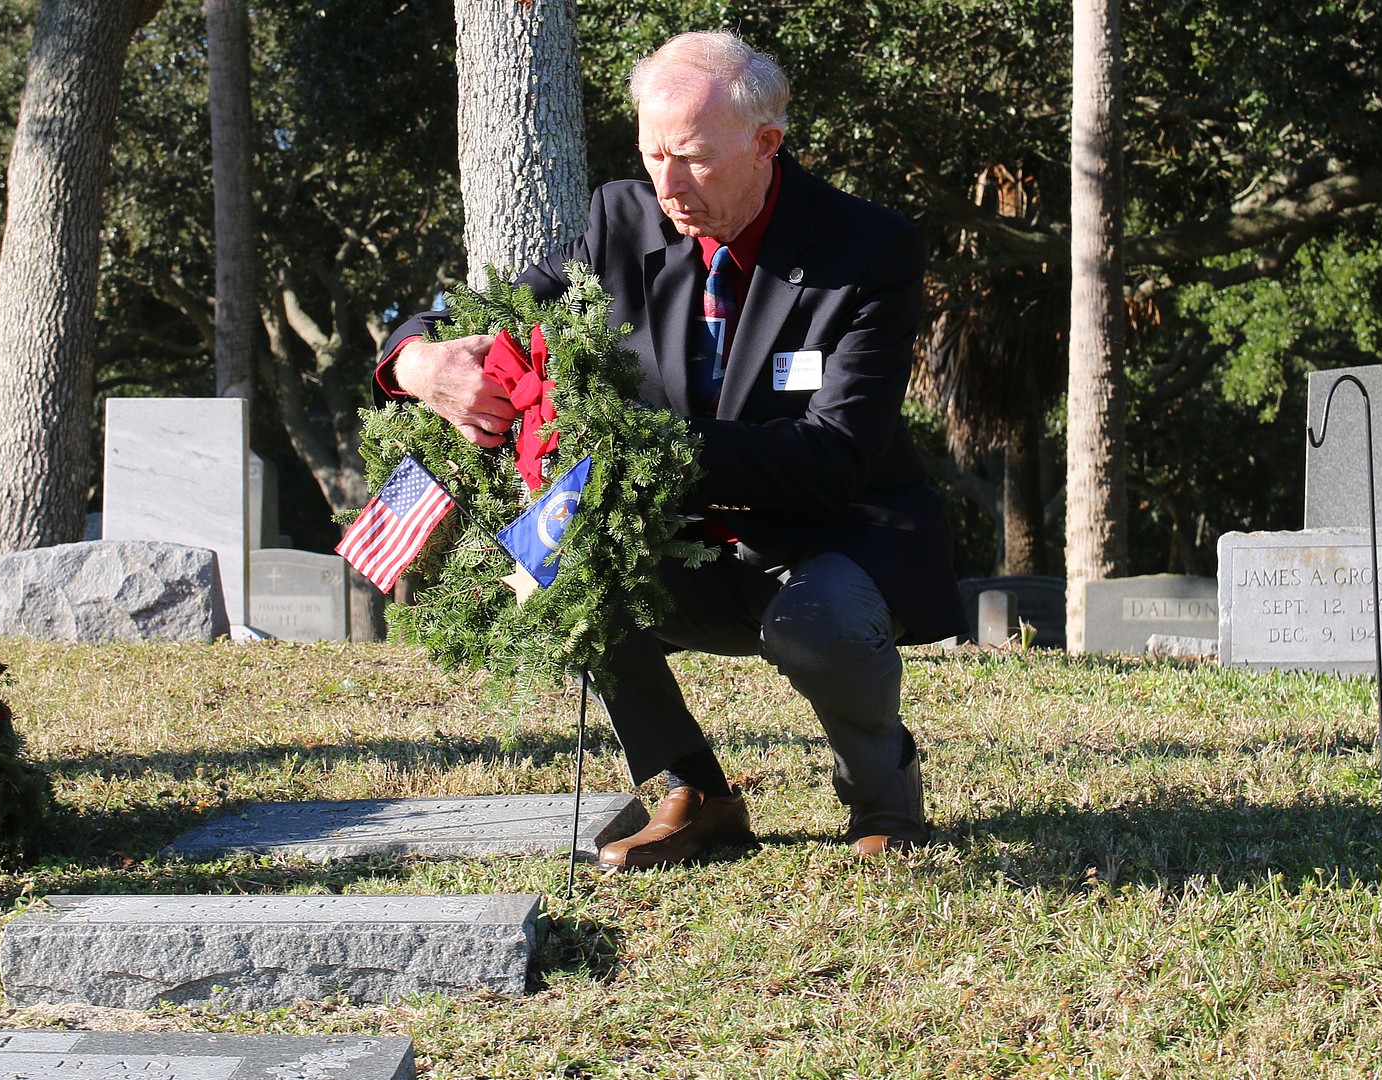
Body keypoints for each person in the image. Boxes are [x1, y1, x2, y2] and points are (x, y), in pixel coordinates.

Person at [376, 30, 966, 869]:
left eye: (692, 158)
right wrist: (421, 361)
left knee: (818, 623)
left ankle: (882, 794)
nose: (668, 185)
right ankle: (698, 794)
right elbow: (489, 307)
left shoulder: (865, 249)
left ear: (767, 145)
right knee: (550, 568)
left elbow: (836, 456)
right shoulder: (624, 220)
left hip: (830, 537)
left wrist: (631, 449)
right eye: (653, 154)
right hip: (674, 539)